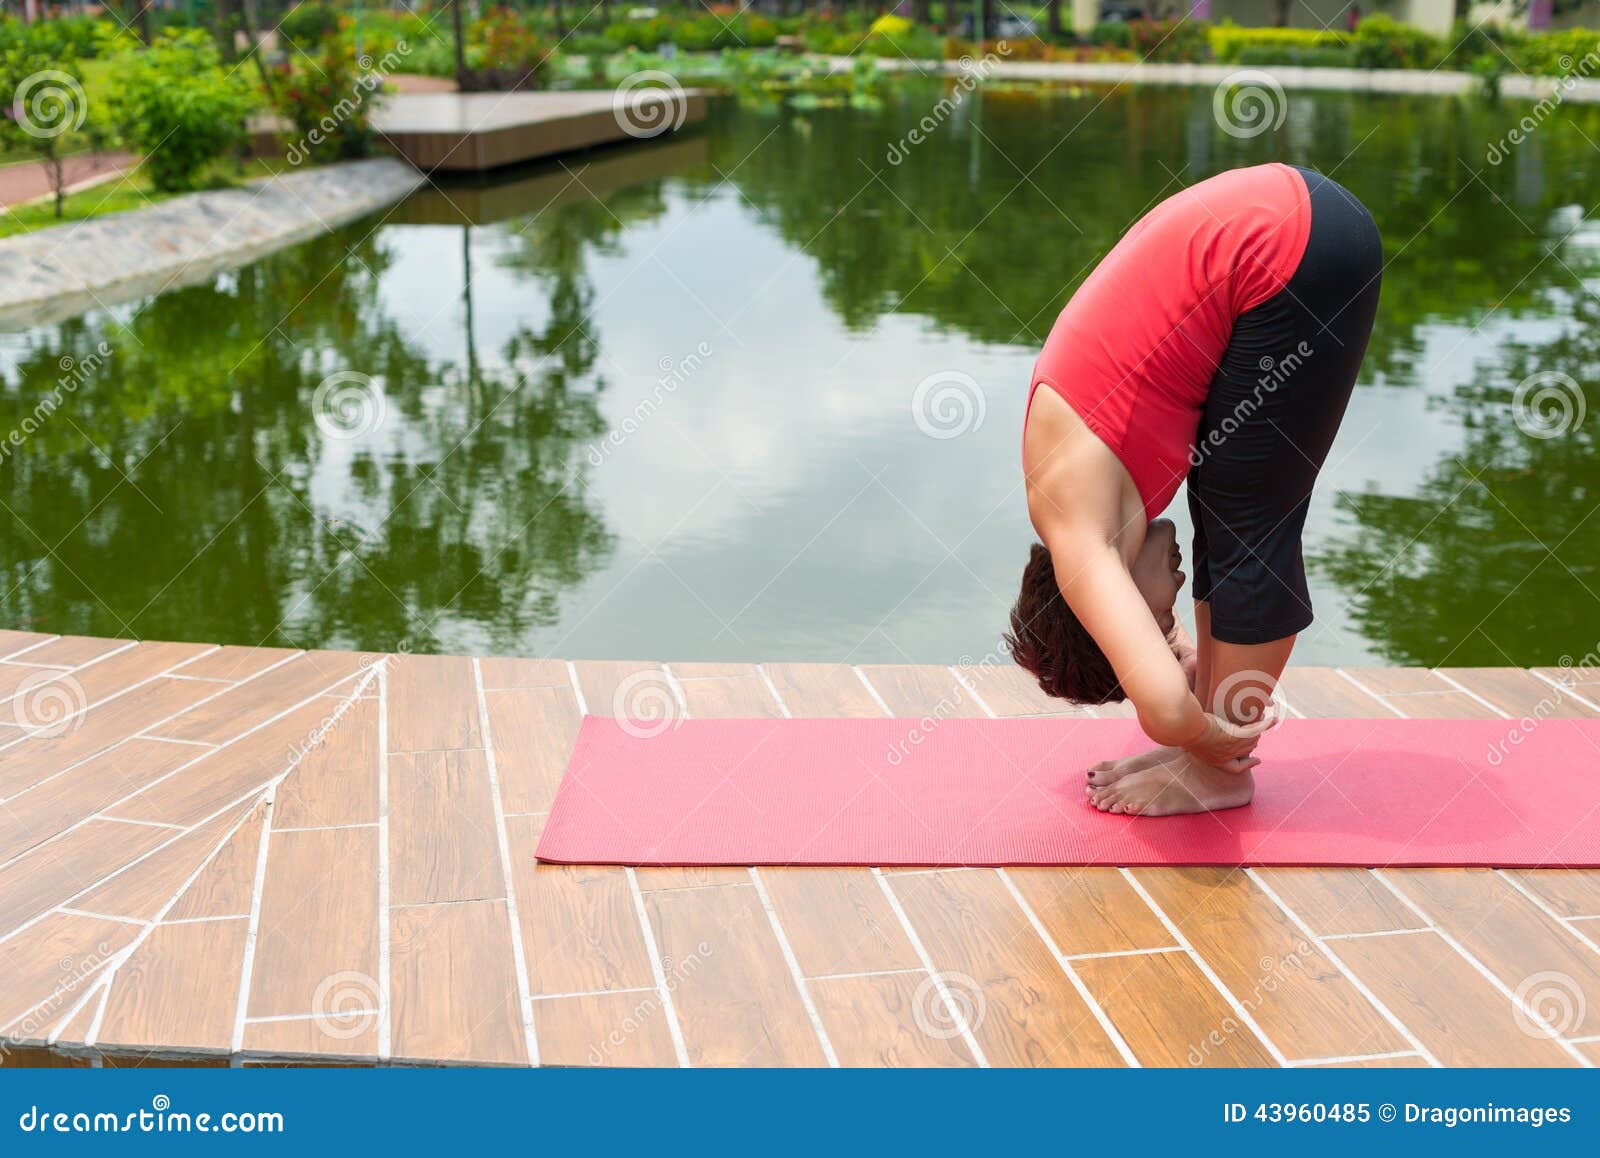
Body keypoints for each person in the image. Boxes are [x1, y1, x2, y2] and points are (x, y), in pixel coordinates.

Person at [1008, 163, 1382, 816]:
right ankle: (1205, 763)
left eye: (1151, 621)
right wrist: (1190, 665)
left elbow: (1159, 708)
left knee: (1248, 524)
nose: (1169, 608)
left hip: (1288, 248)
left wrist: (1206, 739)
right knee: (1227, 502)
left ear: (1103, 600)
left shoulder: (1080, 534)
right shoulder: (1075, 494)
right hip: (1290, 225)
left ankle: (1217, 775)